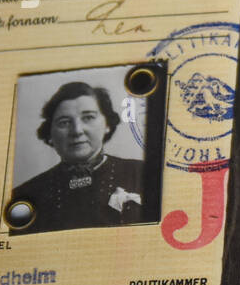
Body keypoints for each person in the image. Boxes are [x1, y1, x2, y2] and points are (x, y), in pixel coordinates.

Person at [9, 81, 151, 234]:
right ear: (50, 133)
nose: (76, 130)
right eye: (64, 122)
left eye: (88, 117)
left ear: (107, 124)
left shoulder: (144, 173)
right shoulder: (25, 195)